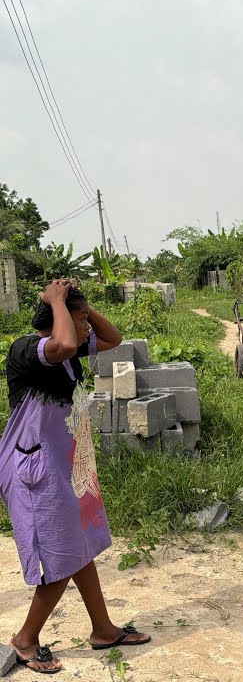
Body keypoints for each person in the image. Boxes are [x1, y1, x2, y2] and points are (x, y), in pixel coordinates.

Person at [0, 280, 151, 674]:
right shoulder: (27, 350)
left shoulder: (70, 352)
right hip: (32, 469)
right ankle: (25, 640)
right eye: (80, 319)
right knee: (60, 556)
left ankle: (102, 629)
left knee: (78, 544)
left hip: (58, 464)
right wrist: (57, 301)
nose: (86, 327)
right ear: (56, 319)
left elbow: (112, 338)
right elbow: (64, 343)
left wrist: (83, 308)